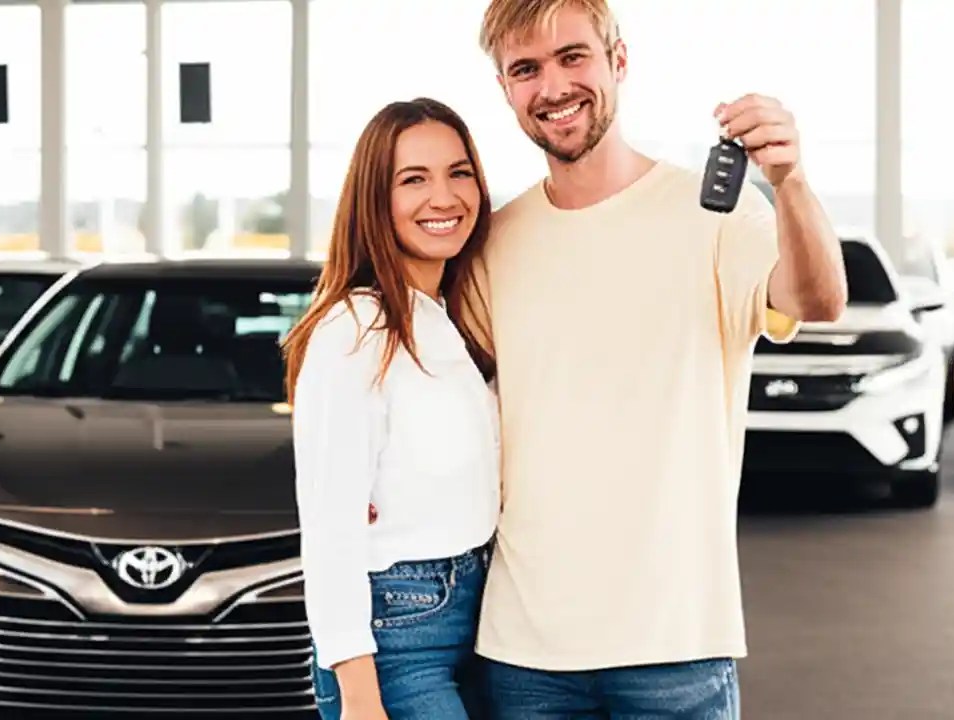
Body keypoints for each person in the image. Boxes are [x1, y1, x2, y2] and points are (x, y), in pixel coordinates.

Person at [467, 1, 849, 717]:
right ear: (505, 89)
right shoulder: (495, 241)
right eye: (526, 69)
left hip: (675, 645)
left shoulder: (720, 216)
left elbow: (819, 298)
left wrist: (790, 181)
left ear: (618, 59)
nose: (551, 87)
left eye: (572, 57)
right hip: (523, 651)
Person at [282, 97, 500, 719]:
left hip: (480, 616)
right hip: (394, 633)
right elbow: (328, 526)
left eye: (460, 172)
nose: (445, 196)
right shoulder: (356, 329)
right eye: (414, 179)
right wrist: (358, 696)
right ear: (375, 200)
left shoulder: (449, 320)